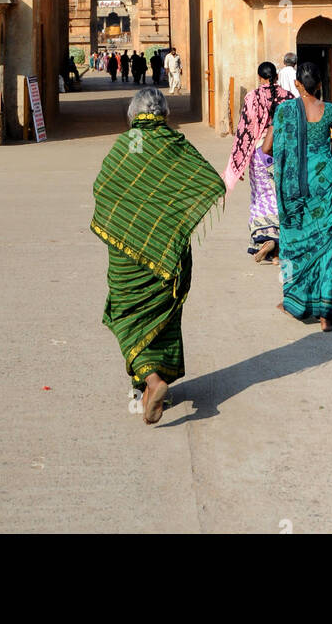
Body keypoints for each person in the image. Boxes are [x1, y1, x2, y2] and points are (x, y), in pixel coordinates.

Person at [91, 86, 225, 423]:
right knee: (162, 317)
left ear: (134, 113)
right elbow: (209, 181)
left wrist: (126, 223)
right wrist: (174, 221)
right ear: (165, 113)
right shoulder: (174, 144)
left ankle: (150, 380)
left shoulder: (128, 145)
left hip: (126, 252)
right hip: (167, 252)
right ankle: (154, 381)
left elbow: (103, 188)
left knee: (125, 314)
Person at [262, 60, 332, 331]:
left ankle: (295, 303)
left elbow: (268, 148)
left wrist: (288, 161)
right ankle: (327, 313)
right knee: (325, 247)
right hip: (322, 188)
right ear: (320, 84)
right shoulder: (329, 112)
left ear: (297, 84)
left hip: (292, 190)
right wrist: (330, 168)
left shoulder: (283, 111)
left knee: (294, 244)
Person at [224, 62, 294, 262]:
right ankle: (277, 251)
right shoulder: (288, 98)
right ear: (276, 76)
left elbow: (244, 131)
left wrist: (238, 161)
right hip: (283, 154)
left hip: (259, 154)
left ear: (259, 77)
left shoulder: (252, 98)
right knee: (281, 197)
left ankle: (267, 239)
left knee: (262, 197)